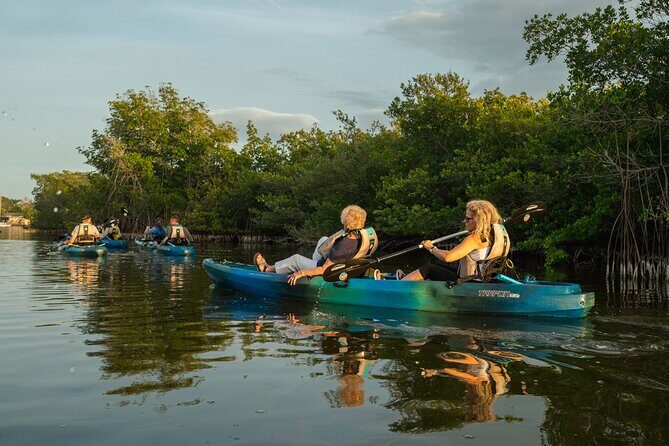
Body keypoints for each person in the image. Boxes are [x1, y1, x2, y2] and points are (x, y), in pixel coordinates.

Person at [253, 205, 377, 286]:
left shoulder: (343, 246)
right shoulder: (362, 237)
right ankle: (309, 263)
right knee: (323, 240)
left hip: (327, 269)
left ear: (347, 224)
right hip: (343, 263)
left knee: (296, 259)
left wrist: (302, 273)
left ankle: (267, 269)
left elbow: (324, 270)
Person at [400, 200, 510, 282]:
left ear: (478, 220)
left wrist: (431, 248)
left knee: (429, 269)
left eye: (468, 219)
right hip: (486, 280)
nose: (464, 221)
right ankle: (408, 279)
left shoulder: (475, 238)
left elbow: (448, 257)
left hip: (472, 283)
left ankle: (399, 285)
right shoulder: (496, 233)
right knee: (437, 265)